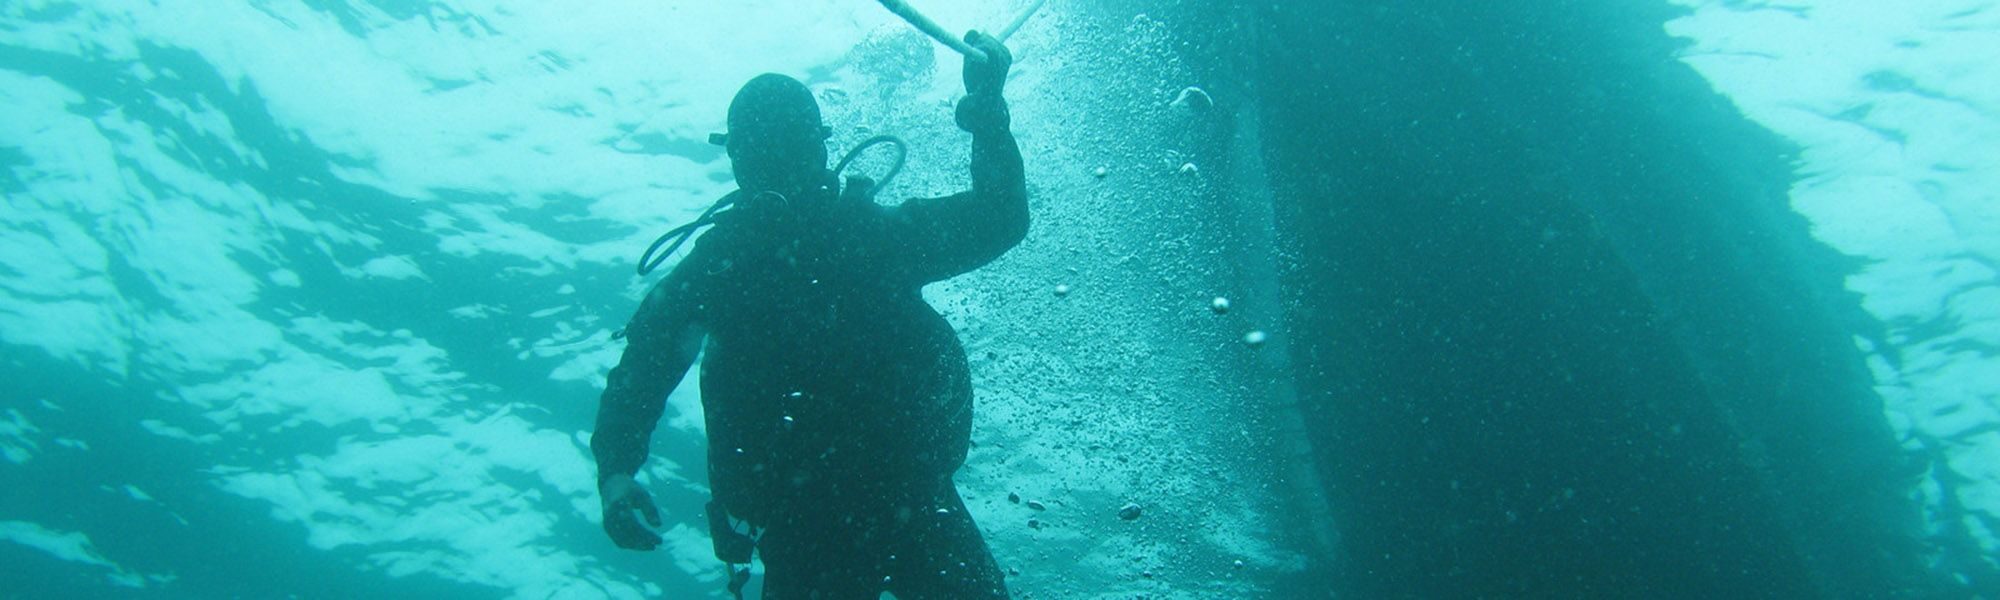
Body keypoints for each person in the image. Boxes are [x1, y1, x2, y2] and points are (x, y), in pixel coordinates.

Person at [590, 31, 1023, 600]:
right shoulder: (743, 263)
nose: (774, 162)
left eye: (783, 144)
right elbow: (644, 365)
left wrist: (617, 475)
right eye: (761, 147)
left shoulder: (745, 265)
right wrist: (615, 470)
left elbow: (1001, 218)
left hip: (886, 502)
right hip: (845, 516)